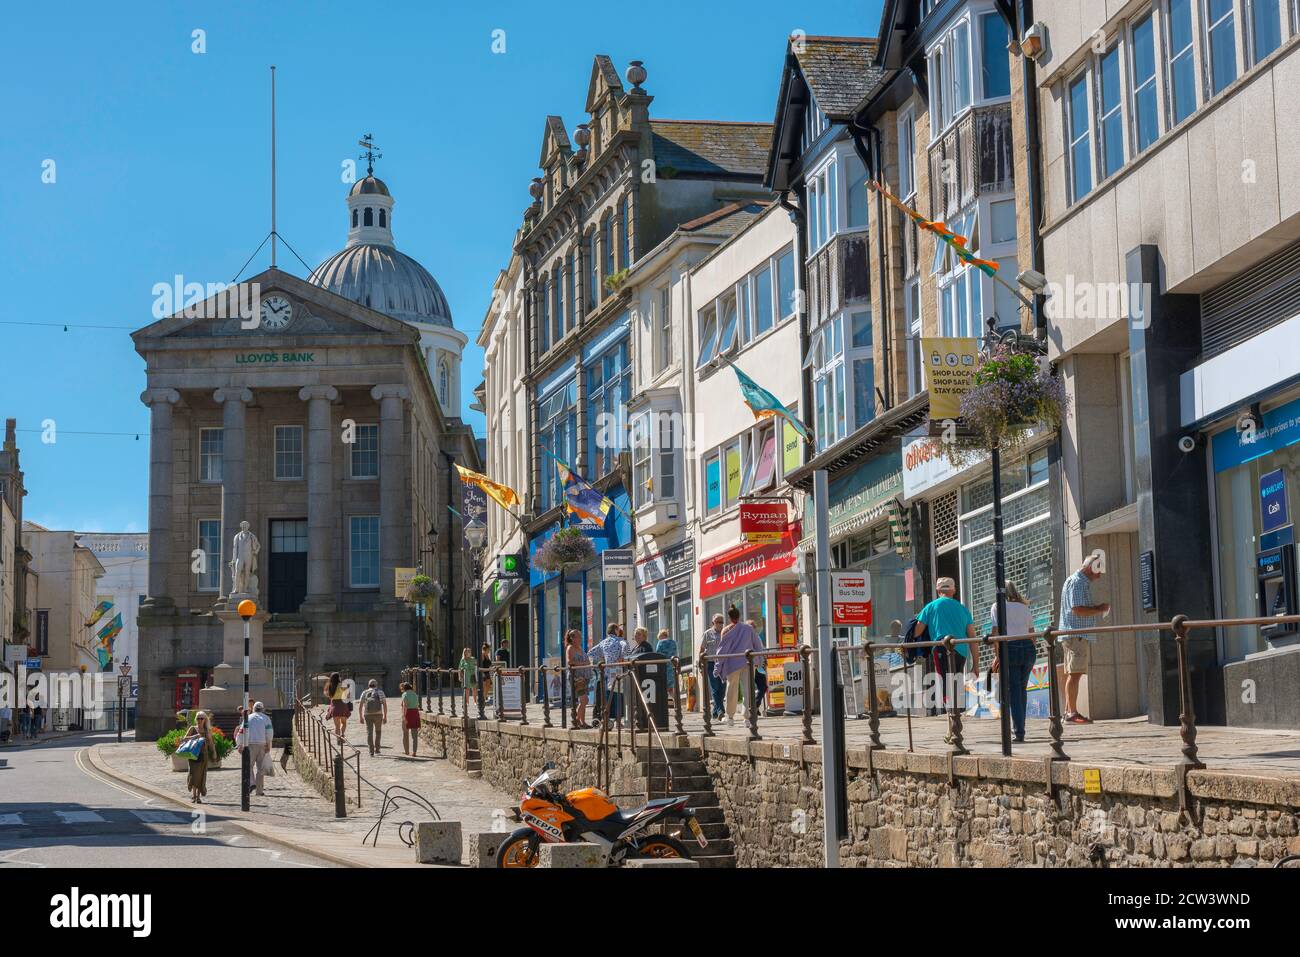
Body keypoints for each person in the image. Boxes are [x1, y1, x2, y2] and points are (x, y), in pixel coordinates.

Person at [912, 577, 978, 717]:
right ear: (953, 590)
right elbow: (973, 637)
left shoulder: (931, 606)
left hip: (941, 648)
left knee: (945, 682)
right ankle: (957, 717)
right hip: (960, 650)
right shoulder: (962, 609)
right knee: (957, 681)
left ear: (938, 590)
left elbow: (917, 631)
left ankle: (952, 718)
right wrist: (976, 665)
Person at [1059, 556, 1109, 724]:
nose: (1099, 576)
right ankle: (1071, 713)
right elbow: (1077, 609)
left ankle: (1068, 712)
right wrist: (1098, 609)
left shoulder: (1075, 581)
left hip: (1073, 633)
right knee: (1075, 674)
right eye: (1098, 571)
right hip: (1076, 634)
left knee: (1074, 674)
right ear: (1090, 568)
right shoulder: (1078, 582)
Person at [989, 581, 1036, 743]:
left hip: (1010, 647)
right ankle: (1020, 727)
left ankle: (1019, 731)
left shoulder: (997, 606)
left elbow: (995, 634)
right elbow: (1032, 633)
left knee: (1013, 691)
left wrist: (997, 655)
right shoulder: (1024, 607)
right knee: (1021, 689)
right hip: (1028, 648)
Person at [715, 606, 764, 725]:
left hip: (732, 663)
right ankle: (747, 717)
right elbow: (757, 644)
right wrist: (759, 660)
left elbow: (722, 650)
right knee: (748, 689)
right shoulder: (748, 628)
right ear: (739, 616)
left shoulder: (725, 630)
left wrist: (718, 666)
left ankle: (730, 717)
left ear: (729, 617)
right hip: (748, 662)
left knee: (731, 689)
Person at [590, 623, 629, 724]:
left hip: (607, 671)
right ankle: (618, 720)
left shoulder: (604, 642)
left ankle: (608, 718)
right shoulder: (620, 641)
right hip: (617, 670)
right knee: (618, 695)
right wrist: (622, 658)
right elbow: (626, 649)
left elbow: (591, 653)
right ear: (616, 630)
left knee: (608, 695)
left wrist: (603, 658)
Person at [181, 711, 217, 804]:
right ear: (196, 719)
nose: (200, 720)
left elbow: (211, 743)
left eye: (202, 718)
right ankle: (193, 795)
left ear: (205, 720)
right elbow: (184, 739)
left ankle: (198, 796)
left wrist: (214, 753)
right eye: (198, 718)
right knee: (193, 775)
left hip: (203, 755)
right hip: (193, 755)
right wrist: (194, 736)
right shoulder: (193, 728)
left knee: (201, 776)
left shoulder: (207, 731)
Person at [699, 613, 727, 719]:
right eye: (718, 622)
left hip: (723, 663)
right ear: (713, 623)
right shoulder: (707, 634)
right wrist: (700, 665)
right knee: (715, 688)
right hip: (711, 663)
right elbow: (701, 650)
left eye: (721, 622)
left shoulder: (725, 633)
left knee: (722, 688)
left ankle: (715, 712)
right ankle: (720, 710)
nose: (720, 624)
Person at [245, 701, 274, 797]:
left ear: (253, 709)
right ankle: (259, 791)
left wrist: (240, 744)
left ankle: (251, 783)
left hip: (250, 744)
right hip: (262, 744)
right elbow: (269, 733)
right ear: (263, 709)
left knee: (248, 766)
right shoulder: (266, 718)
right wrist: (268, 744)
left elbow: (242, 731)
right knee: (260, 768)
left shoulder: (248, 718)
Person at [565, 630, 591, 729]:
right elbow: (570, 661)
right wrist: (583, 664)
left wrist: (586, 663)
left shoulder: (580, 648)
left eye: (580, 636)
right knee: (585, 699)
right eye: (578, 636)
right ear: (573, 638)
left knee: (582, 700)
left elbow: (587, 660)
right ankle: (576, 720)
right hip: (576, 677)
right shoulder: (570, 648)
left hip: (584, 677)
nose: (580, 638)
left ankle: (582, 722)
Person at [358, 679, 387, 756]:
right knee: (378, 732)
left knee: (369, 733)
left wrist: (360, 717)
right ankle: (377, 749)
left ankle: (371, 751)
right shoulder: (380, 692)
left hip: (367, 715)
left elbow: (360, 705)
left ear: (368, 685)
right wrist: (385, 716)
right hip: (378, 714)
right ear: (376, 685)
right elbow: (384, 704)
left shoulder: (364, 692)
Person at [654, 628, 678, 699]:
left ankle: (663, 705)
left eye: (659, 638)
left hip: (663, 666)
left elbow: (658, 654)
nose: (659, 639)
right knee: (671, 688)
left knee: (663, 687)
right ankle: (676, 703)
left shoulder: (660, 643)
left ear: (661, 636)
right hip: (672, 666)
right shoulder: (673, 642)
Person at [399, 681, 421, 756]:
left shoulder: (404, 694)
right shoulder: (415, 694)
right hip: (415, 713)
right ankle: (414, 752)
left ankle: (407, 751)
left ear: (404, 688)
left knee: (405, 733)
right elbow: (417, 705)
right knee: (414, 735)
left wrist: (404, 716)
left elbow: (405, 705)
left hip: (408, 713)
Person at [325, 672, 349, 738]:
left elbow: (329, 696)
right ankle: (342, 734)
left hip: (334, 706)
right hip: (342, 705)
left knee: (337, 726)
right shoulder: (342, 685)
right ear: (338, 678)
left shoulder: (330, 686)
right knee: (344, 723)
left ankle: (338, 739)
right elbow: (348, 695)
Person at [458, 647, 477, 713]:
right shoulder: (462, 660)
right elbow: (460, 669)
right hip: (466, 676)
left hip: (472, 674)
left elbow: (476, 666)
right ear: (465, 653)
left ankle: (475, 701)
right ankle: (467, 702)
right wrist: (460, 676)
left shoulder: (473, 659)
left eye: (470, 651)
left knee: (474, 688)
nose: (469, 652)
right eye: (468, 651)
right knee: (467, 689)